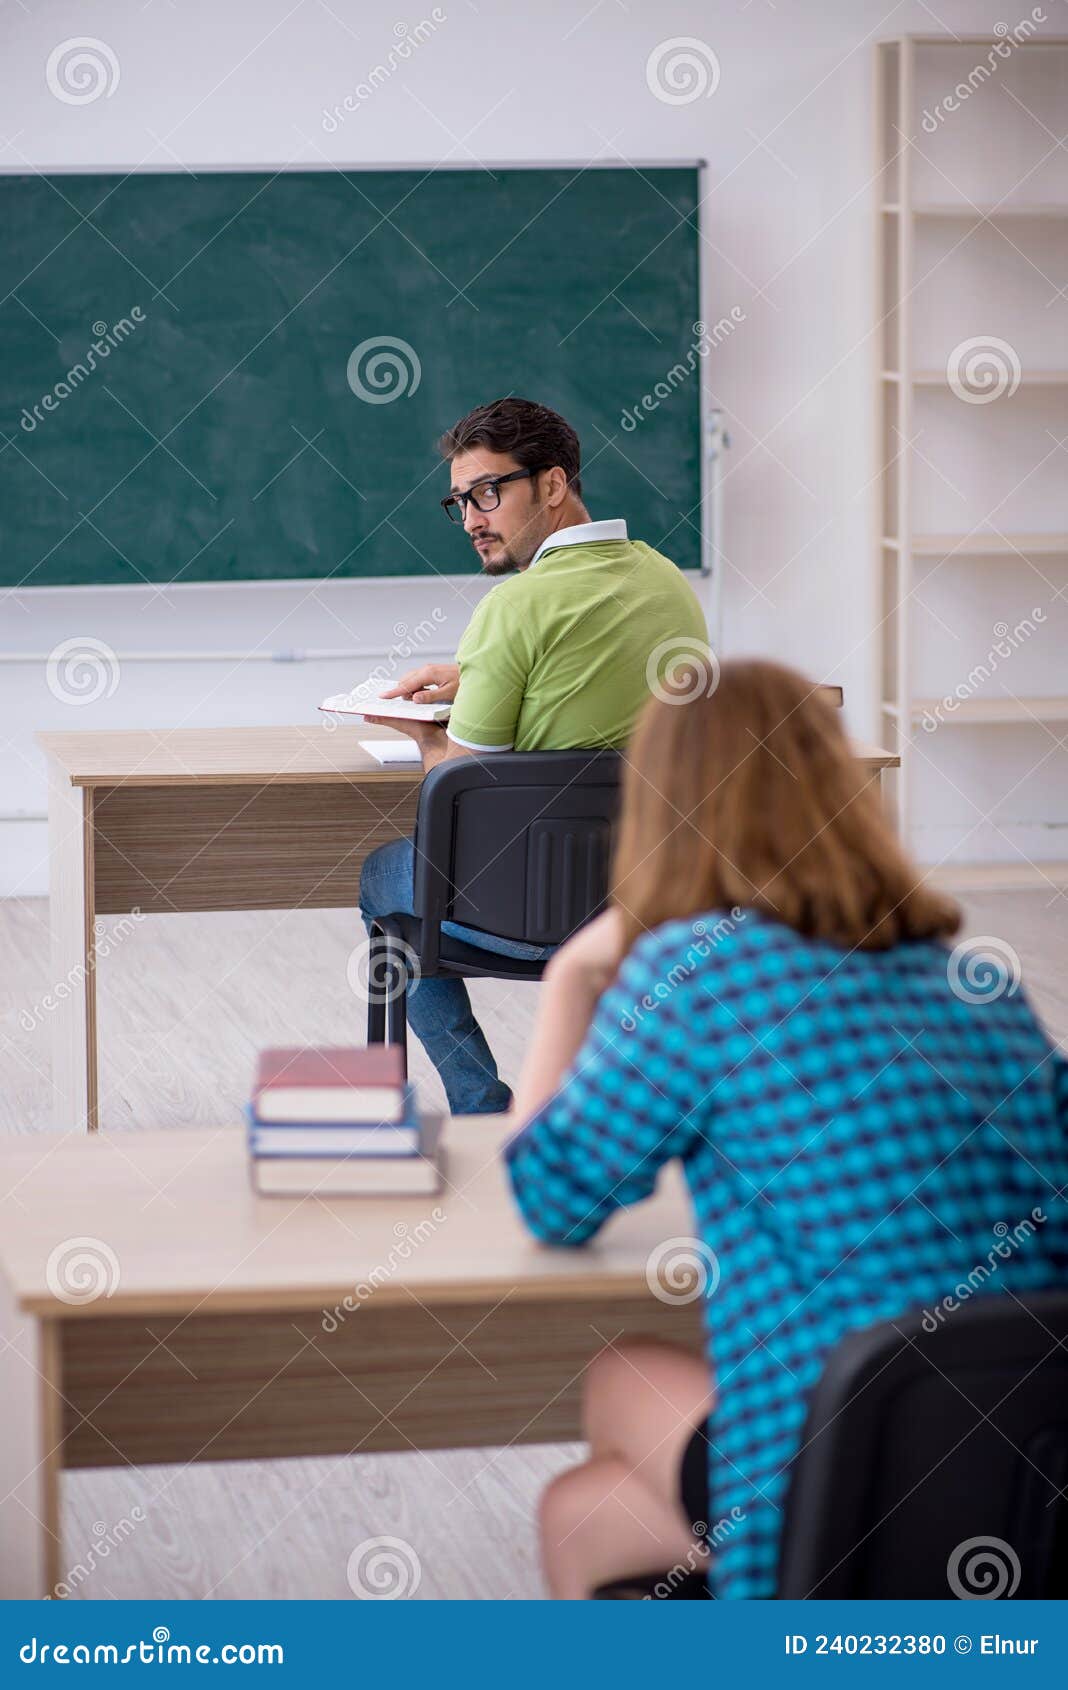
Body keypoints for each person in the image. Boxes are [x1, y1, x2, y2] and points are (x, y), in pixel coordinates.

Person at [504, 658, 1068, 1599]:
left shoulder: (699, 973)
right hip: (1029, 1485)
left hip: (849, 1479)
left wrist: (570, 976)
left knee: (617, 1381)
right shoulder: (978, 985)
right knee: (583, 1511)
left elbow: (549, 1196)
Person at [358, 396, 708, 1115]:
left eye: (488, 493)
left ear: (553, 485)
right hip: (642, 900)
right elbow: (594, 687)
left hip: (515, 912)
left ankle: (478, 1100)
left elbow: (457, 790)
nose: (473, 521)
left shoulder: (513, 609)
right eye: (459, 503)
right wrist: (478, 680)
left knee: (380, 876)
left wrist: (427, 734)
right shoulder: (669, 585)